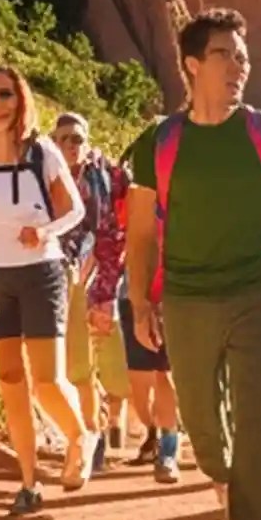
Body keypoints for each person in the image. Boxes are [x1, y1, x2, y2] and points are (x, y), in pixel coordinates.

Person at [125, 7, 261, 520]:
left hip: (257, 294)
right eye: (225, 55)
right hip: (185, 299)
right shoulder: (157, 143)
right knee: (204, 426)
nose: (240, 65)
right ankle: (226, 479)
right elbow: (140, 231)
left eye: (244, 56)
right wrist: (140, 298)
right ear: (192, 64)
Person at [0, 64, 99, 516]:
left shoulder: (41, 151)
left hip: (40, 273)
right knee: (9, 382)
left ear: (20, 101)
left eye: (6, 94)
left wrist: (43, 233)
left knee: (45, 382)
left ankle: (81, 437)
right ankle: (28, 483)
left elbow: (75, 211)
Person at [52, 112, 132, 471]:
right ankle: (89, 433)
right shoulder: (42, 177)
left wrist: (105, 290)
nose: (71, 144)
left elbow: (114, 235)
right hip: (54, 276)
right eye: (64, 138)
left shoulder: (105, 179)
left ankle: (101, 428)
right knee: (71, 367)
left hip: (94, 278)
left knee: (97, 366)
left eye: (78, 138)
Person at [113, 137, 182, 483]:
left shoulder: (183, 192)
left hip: (174, 292)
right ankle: (154, 430)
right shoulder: (122, 194)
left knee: (163, 372)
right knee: (138, 381)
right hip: (132, 292)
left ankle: (169, 445)